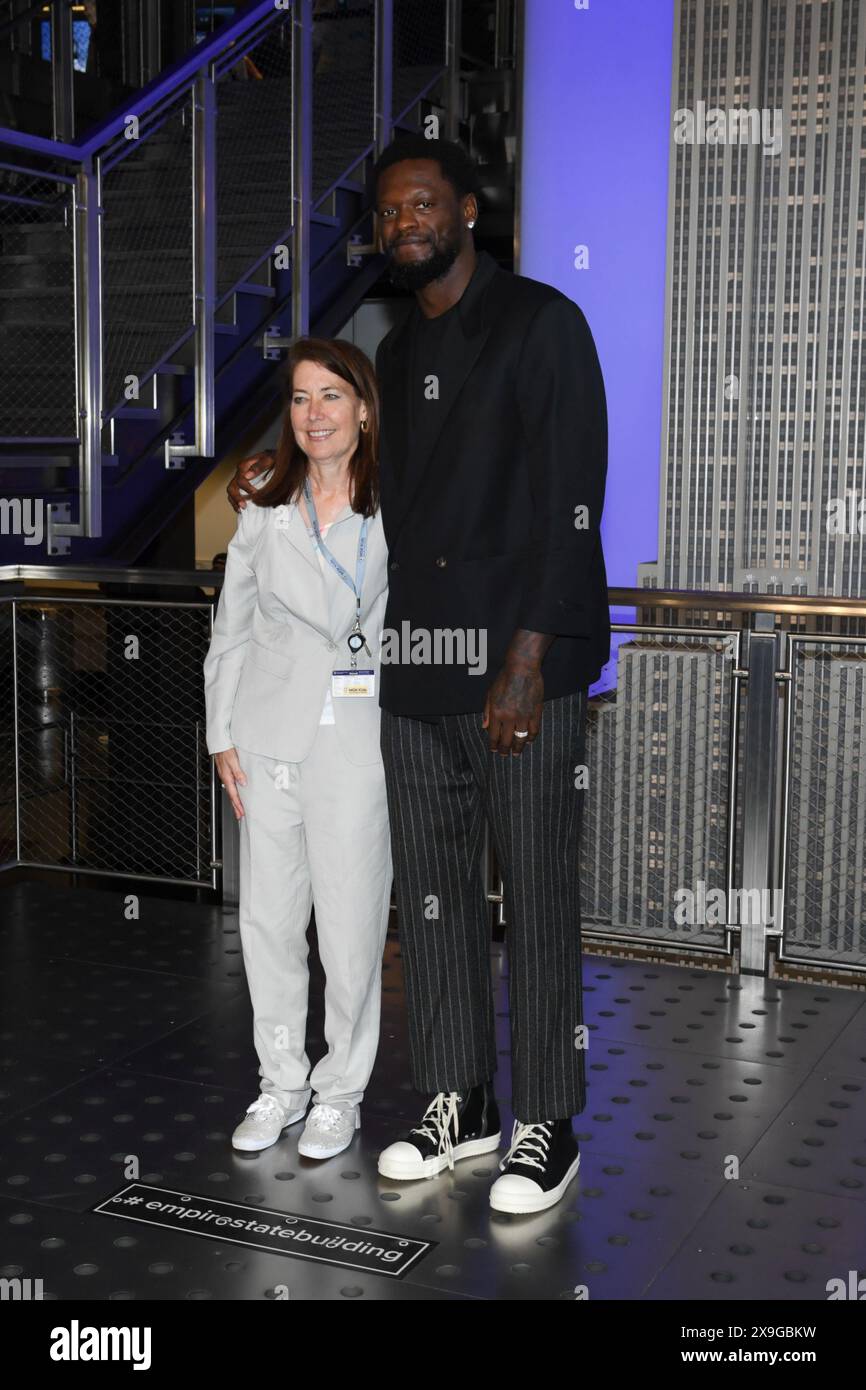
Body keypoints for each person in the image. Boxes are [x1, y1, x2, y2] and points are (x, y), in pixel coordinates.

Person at [228, 135, 610, 1215]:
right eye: (389, 211)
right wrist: (271, 471)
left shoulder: (542, 325)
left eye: (422, 204)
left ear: (467, 211)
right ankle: (459, 1100)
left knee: (532, 898)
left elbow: (570, 506)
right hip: (415, 674)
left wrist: (527, 663)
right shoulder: (391, 354)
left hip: (518, 673)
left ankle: (547, 1119)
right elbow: (355, 469)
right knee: (434, 904)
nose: (404, 223)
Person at [205, 337, 391, 1160]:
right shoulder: (263, 505)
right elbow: (232, 626)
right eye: (300, 399)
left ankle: (338, 1093)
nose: (313, 415)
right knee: (269, 928)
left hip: (358, 741)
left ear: (363, 408)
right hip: (264, 737)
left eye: (331, 397)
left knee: (350, 931)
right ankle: (280, 1083)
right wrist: (219, 734)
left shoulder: (399, 504)